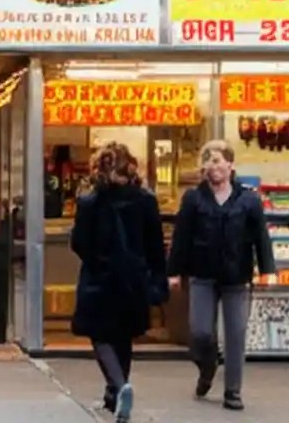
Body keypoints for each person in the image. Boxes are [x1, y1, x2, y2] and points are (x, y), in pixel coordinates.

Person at [168, 140, 276, 412]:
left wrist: (268, 270)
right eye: (208, 161)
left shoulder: (248, 199)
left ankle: (233, 391)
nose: (213, 166)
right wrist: (173, 272)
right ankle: (207, 367)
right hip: (202, 276)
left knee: (236, 334)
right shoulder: (193, 199)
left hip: (236, 278)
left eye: (217, 160)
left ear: (230, 164)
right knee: (201, 331)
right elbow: (181, 238)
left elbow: (261, 237)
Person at [70, 142, 168, 423]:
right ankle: (115, 397)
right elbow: (155, 245)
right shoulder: (146, 200)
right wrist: (156, 280)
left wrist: (96, 259)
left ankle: (119, 385)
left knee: (99, 335)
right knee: (123, 337)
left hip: (99, 277)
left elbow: (79, 242)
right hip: (134, 279)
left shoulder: (90, 202)